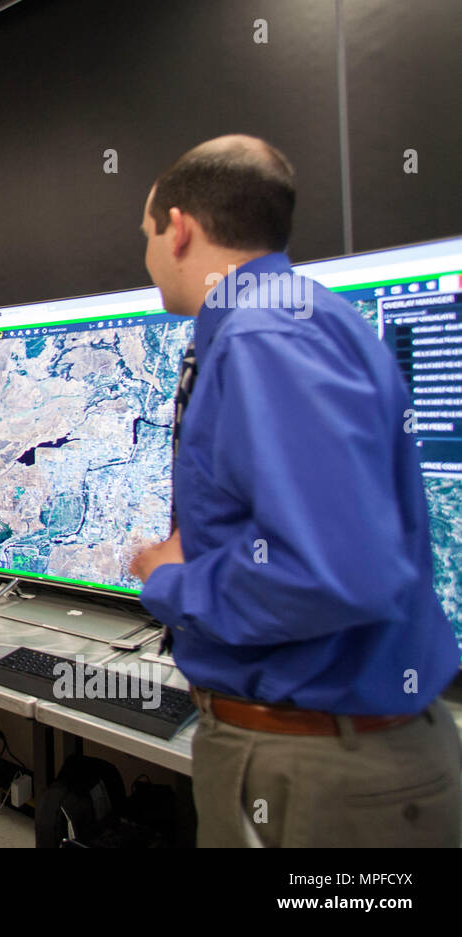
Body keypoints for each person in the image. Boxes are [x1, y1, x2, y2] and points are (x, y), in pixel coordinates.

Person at [129, 134, 461, 847]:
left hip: (318, 773)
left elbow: (334, 572)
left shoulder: (262, 337)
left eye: (148, 233)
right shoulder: (303, 316)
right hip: (332, 753)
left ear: (179, 228)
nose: (148, 256)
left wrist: (173, 579)